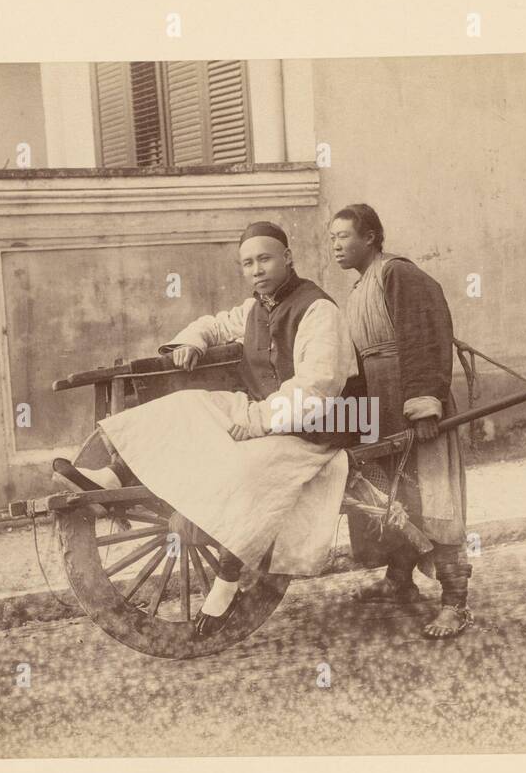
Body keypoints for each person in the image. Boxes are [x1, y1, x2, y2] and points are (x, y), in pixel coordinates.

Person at [54, 221, 356, 640]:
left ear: (287, 258)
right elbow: (216, 324)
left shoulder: (318, 310)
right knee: (184, 406)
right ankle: (113, 477)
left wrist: (255, 421)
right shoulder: (255, 308)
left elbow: (317, 387)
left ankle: (228, 581)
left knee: (242, 471)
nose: (257, 270)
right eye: (248, 263)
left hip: (312, 429)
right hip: (261, 416)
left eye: (265, 259)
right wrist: (193, 341)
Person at [329, 204, 473, 640]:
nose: (336, 245)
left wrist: (425, 401)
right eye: (331, 238)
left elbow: (425, 335)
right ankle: (399, 580)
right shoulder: (358, 291)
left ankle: (455, 602)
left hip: (410, 396)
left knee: (431, 491)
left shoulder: (399, 275)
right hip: (379, 402)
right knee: (390, 490)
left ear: (371, 237)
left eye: (344, 236)